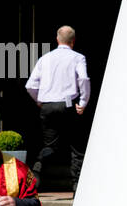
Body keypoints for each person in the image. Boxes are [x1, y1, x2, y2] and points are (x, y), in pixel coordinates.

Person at [26, 26, 91, 192]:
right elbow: (83, 78)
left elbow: (31, 85)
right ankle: (77, 184)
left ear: (57, 39)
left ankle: (38, 168)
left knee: (50, 145)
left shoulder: (45, 59)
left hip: (47, 106)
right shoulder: (78, 57)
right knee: (76, 145)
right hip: (68, 105)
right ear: (73, 41)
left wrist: (39, 101)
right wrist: (83, 102)